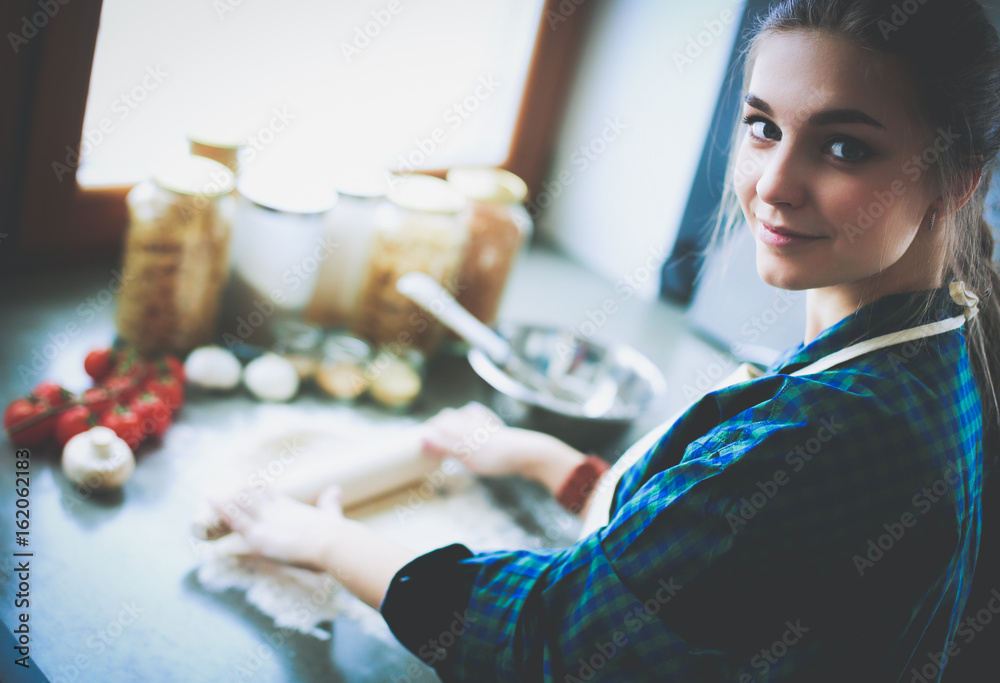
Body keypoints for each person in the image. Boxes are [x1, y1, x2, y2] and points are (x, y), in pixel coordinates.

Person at [212, 0, 1000, 679]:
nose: (773, 183)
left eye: (843, 147)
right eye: (763, 126)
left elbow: (550, 641)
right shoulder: (940, 339)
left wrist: (323, 538)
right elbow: (716, 557)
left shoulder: (837, 429)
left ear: (957, 177)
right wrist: (538, 457)